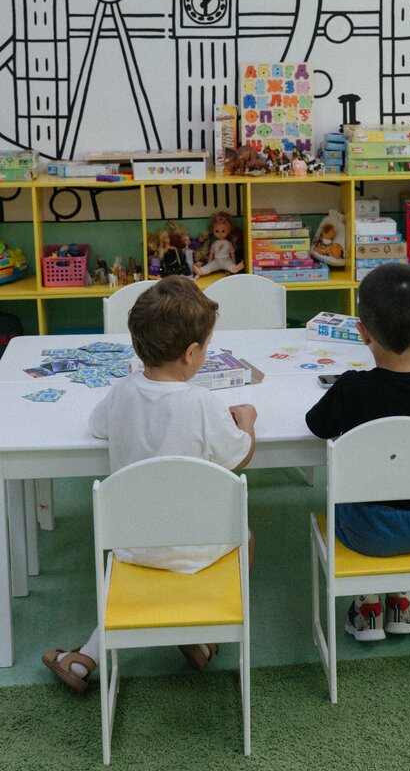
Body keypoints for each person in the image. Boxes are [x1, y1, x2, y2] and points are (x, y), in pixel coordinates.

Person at [41, 276, 256, 693]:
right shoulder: (202, 404)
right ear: (192, 354)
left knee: (135, 565)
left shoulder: (122, 391)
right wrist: (247, 418)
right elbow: (239, 455)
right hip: (199, 545)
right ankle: (206, 633)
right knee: (244, 535)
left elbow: (96, 426)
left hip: (132, 546)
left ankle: (85, 656)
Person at [306, 263, 410, 642]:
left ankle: (368, 606)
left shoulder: (352, 388)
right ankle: (402, 600)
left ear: (362, 334)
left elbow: (317, 426)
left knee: (343, 496)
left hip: (365, 532)